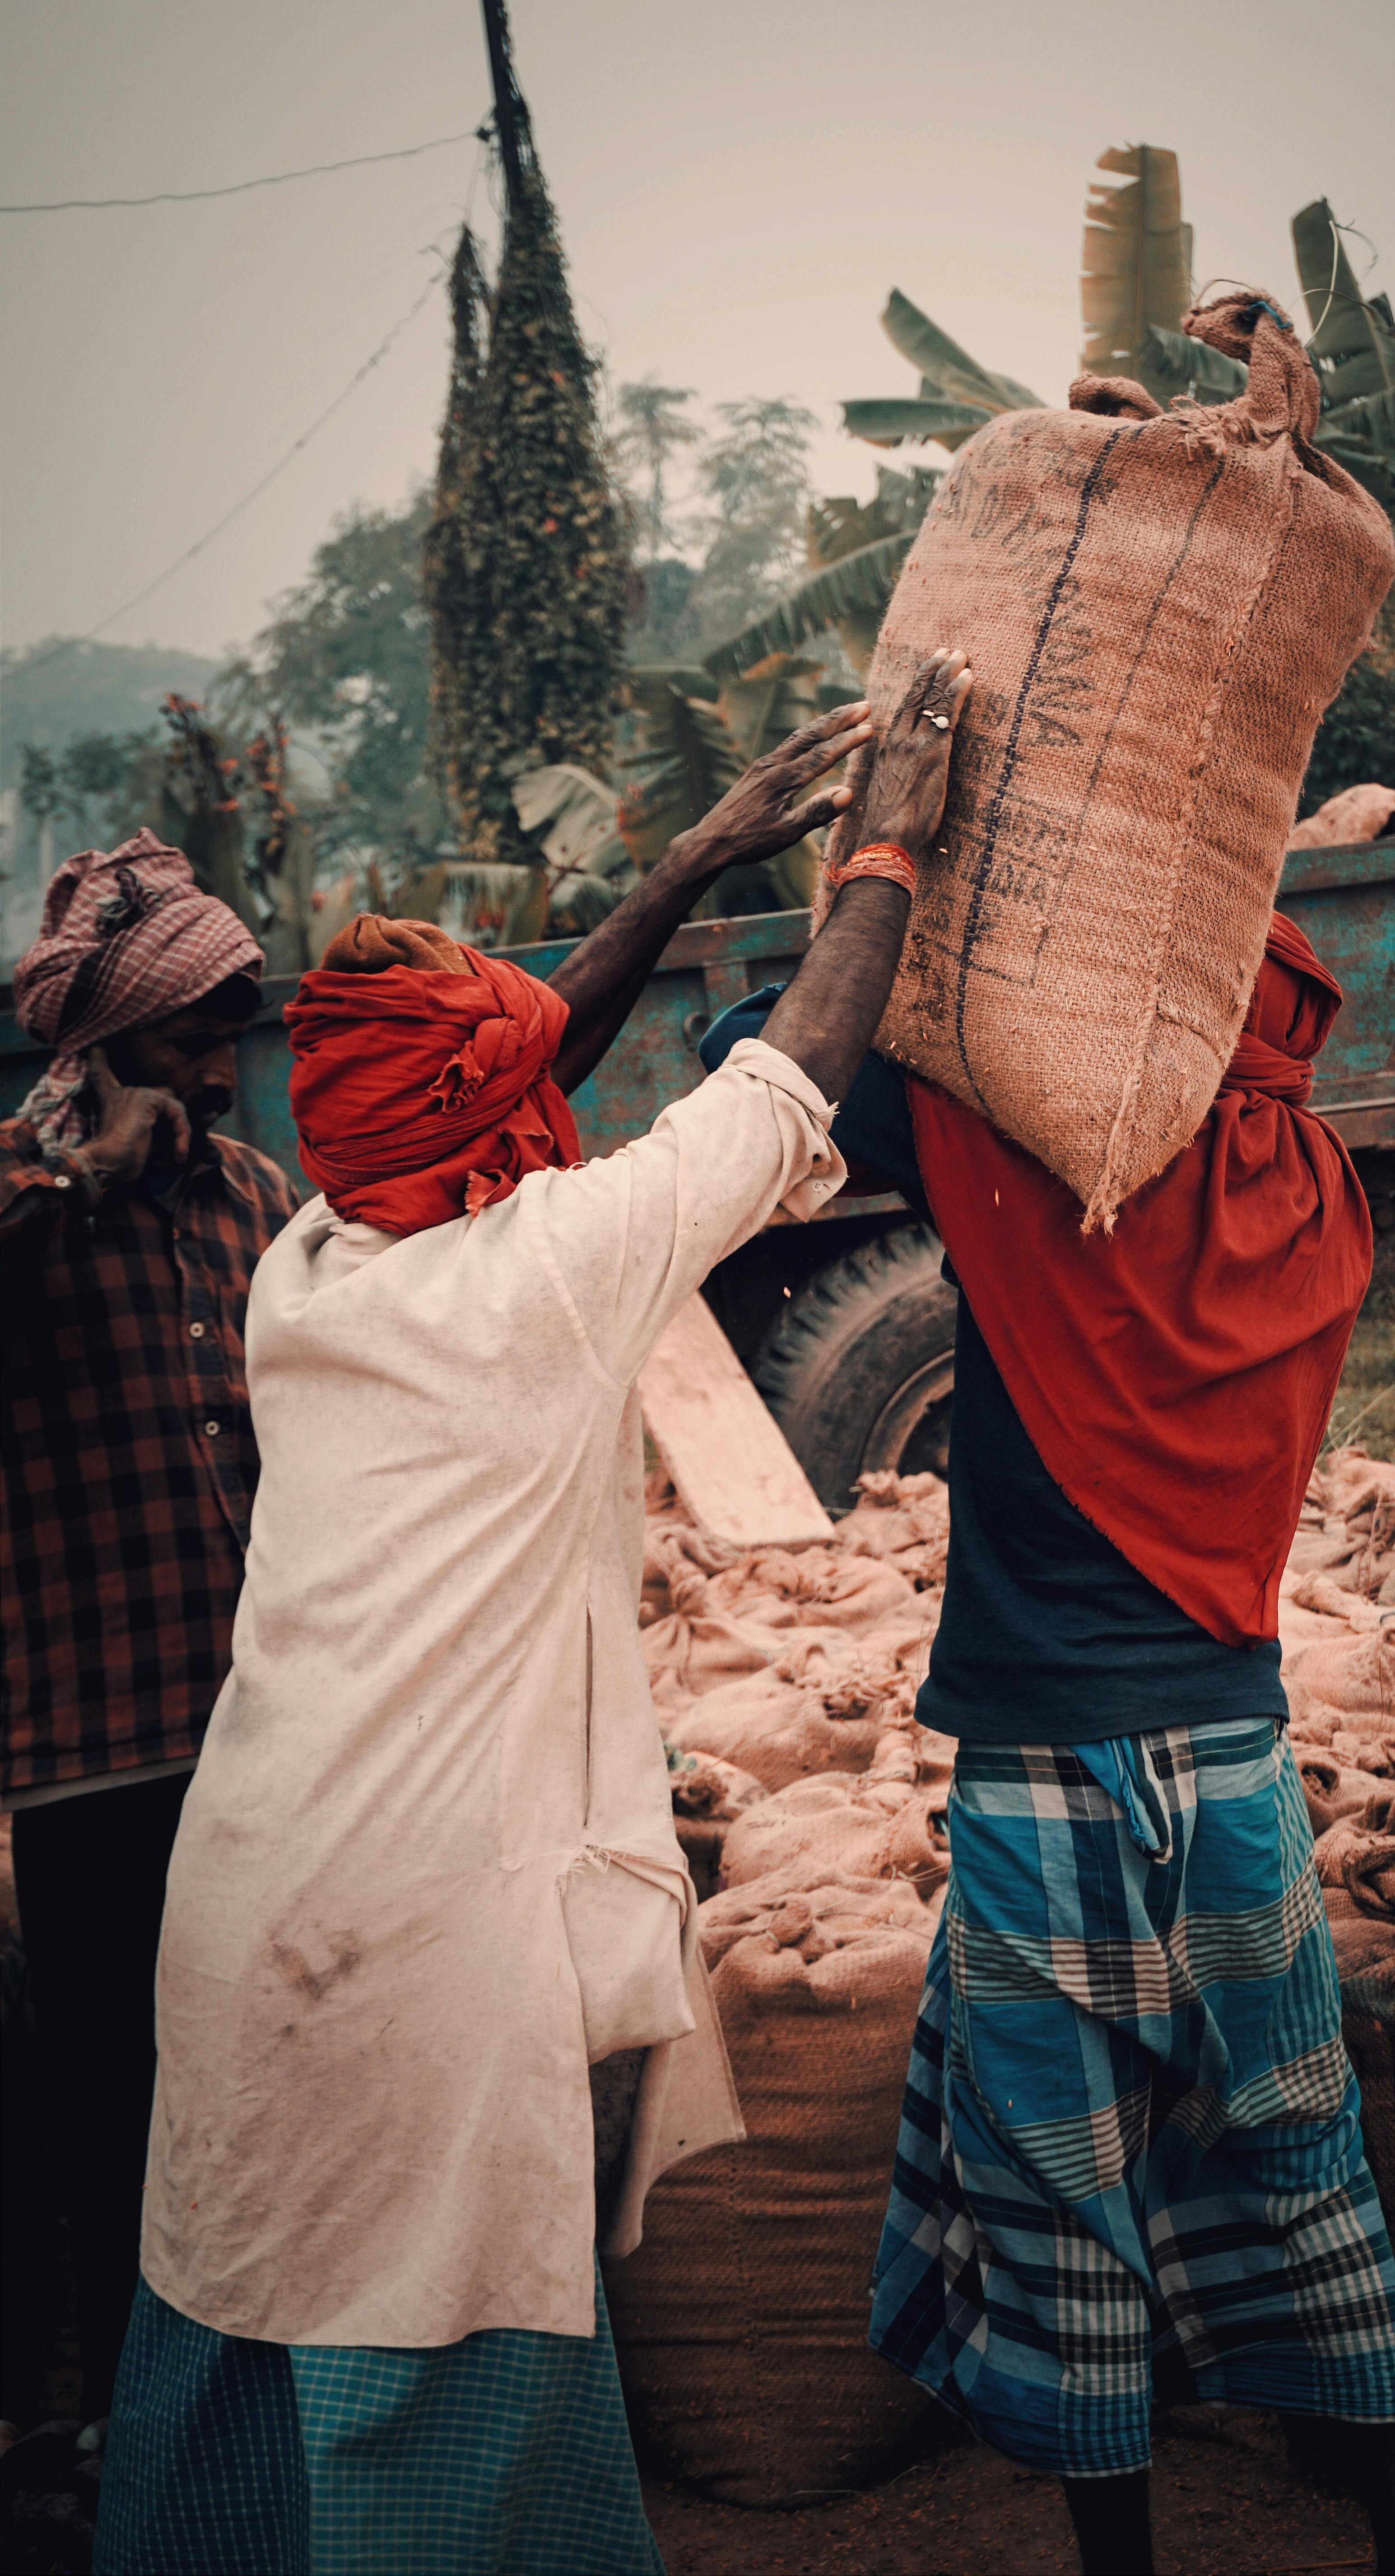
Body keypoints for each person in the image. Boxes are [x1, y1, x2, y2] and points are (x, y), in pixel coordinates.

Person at [92, 656, 972, 2576]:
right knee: (435, 2348)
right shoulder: (548, 1281)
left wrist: (697, 853)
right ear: (482, 1119)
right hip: (423, 1947)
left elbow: (506, 1063)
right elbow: (791, 1076)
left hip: (249, 1904)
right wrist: (886, 839)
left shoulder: (315, 1259)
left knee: (245, 2311)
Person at [702, 915, 1395, 2576]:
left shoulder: (1027, 1164)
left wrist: (935, 919)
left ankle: (1124, 2559)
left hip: (1043, 1771)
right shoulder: (1323, 1191)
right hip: (1240, 1766)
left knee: (1058, 2183)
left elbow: (762, 1052)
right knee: (1302, 2140)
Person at [1, 832, 297, 2432]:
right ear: (105, 1040)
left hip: (257, 1741)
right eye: (194, 1032)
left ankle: (262, 2410)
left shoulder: (254, 1202)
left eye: (231, 1027)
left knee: (268, 2089)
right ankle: (139, 2432)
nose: (222, 1063)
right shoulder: (30, 1191)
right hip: (91, 1756)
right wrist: (76, 1174)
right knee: (121, 2109)